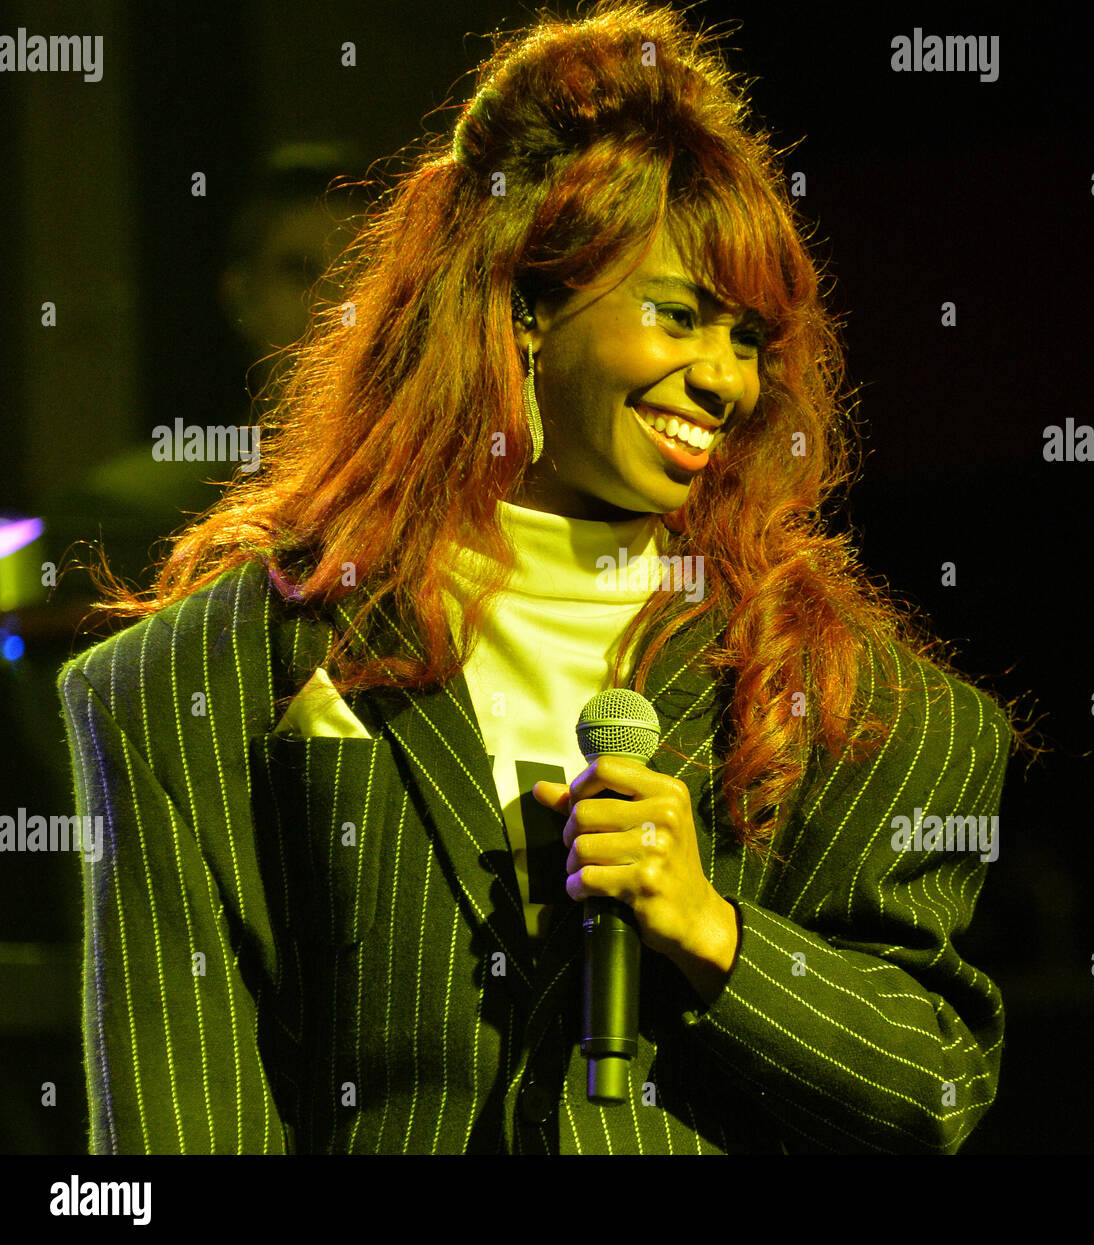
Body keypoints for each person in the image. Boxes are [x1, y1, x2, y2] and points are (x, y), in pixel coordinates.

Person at [58, 0, 1020, 1155]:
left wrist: (715, 935)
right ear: (524, 304)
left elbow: (935, 1088)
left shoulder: (862, 708)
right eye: (680, 316)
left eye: (749, 339)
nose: (723, 379)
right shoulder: (201, 683)